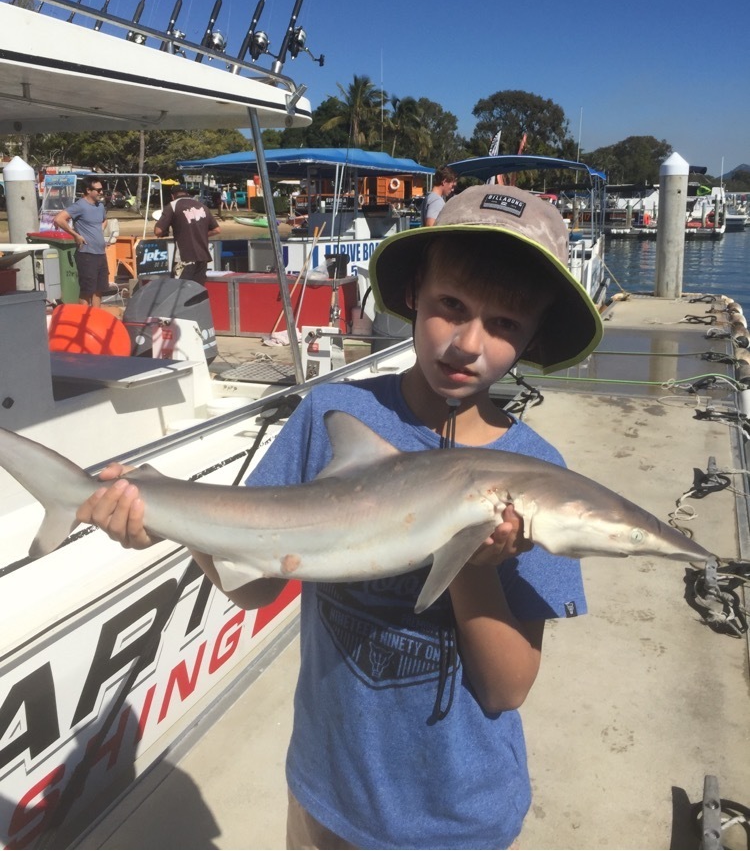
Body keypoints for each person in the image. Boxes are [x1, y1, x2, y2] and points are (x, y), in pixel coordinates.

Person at [77, 184, 603, 850]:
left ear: (532, 338)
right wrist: (166, 521)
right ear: (414, 291)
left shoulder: (538, 476)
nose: (470, 342)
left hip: (457, 817)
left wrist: (471, 553)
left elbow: (505, 689)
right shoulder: (330, 417)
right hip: (328, 791)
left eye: (504, 325)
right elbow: (256, 584)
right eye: (451, 306)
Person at [53, 178, 109, 307]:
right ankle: (83, 320)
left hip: (100, 253)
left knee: (99, 290)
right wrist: (75, 235)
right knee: (87, 291)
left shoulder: (100, 206)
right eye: (98, 190)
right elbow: (59, 219)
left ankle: (96, 319)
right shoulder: (80, 205)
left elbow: (104, 220)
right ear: (88, 190)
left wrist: (99, 230)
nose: (101, 192)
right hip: (86, 254)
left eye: (102, 189)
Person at [154, 184, 220, 287]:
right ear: (187, 194)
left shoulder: (173, 205)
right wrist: (200, 234)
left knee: (178, 290)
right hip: (203, 257)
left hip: (184, 257)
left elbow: (158, 231)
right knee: (197, 290)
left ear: (173, 196)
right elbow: (217, 230)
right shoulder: (202, 206)